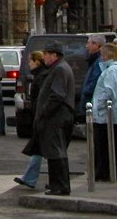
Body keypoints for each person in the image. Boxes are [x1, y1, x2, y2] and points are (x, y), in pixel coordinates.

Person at [22, 41, 76, 196]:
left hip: (56, 116)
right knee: (56, 150)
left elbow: (57, 95)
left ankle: (59, 185)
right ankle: (57, 184)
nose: (44, 57)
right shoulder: (59, 67)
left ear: (54, 55)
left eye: (46, 54)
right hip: (58, 115)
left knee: (55, 152)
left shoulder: (59, 69)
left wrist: (44, 112)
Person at [91, 41, 117, 180]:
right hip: (111, 111)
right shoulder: (115, 69)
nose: (101, 58)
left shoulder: (113, 70)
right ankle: (114, 170)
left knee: (109, 143)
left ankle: (115, 171)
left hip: (109, 113)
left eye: (102, 55)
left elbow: (109, 91)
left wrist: (99, 105)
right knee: (113, 142)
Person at [14, 50, 48, 188]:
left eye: (30, 61)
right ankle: (30, 177)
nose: (28, 64)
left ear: (37, 62)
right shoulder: (40, 75)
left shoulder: (40, 77)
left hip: (42, 117)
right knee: (37, 148)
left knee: (42, 148)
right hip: (40, 116)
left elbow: (40, 99)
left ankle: (32, 178)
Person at [80, 33, 106, 109]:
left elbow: (95, 82)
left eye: (88, 43)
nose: (87, 46)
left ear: (96, 45)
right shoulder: (94, 60)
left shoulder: (99, 62)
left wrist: (85, 91)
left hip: (92, 102)